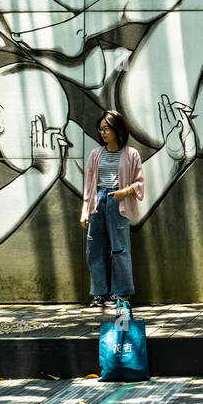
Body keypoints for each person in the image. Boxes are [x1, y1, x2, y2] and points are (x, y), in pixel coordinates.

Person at [82, 110, 145, 308]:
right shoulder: (95, 154)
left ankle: (121, 293)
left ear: (117, 129)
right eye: (100, 129)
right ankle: (99, 294)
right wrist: (85, 210)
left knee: (120, 248)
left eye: (106, 128)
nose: (103, 132)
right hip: (97, 200)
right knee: (94, 247)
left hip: (118, 201)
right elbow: (88, 184)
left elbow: (140, 183)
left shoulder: (131, 154)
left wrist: (124, 192)